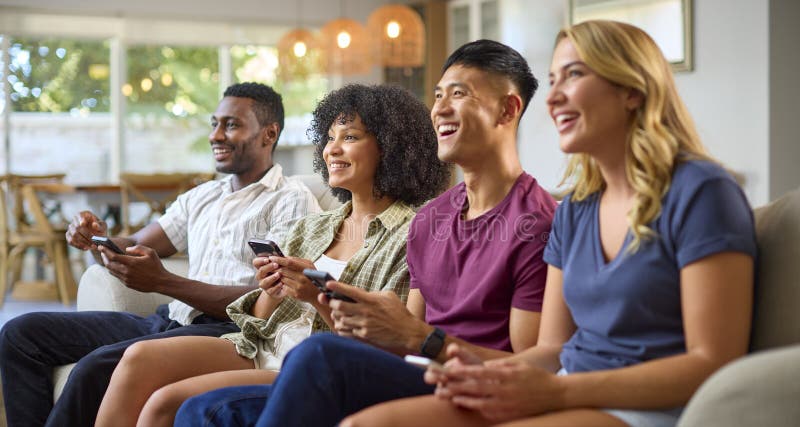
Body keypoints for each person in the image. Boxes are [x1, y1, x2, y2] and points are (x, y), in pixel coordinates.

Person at [342, 20, 758, 427]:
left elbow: (713, 362)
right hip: (565, 391)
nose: (553, 97)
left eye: (573, 76)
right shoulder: (577, 208)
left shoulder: (703, 192)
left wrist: (557, 391)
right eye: (553, 80)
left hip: (645, 405)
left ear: (632, 89)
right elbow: (552, 348)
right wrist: (487, 375)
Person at [174, 39, 558, 427]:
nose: (439, 109)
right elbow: (406, 337)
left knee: (319, 353)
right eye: (438, 95)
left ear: (508, 109)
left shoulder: (537, 224)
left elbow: (529, 369)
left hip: (475, 385)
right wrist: (369, 319)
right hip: (418, 373)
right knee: (199, 410)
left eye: (458, 94)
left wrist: (420, 339)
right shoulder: (432, 219)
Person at [91, 83, 451, 427]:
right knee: (137, 358)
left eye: (350, 137)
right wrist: (271, 286)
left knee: (165, 403)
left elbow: (387, 346)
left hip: (309, 362)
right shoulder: (313, 228)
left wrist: (317, 294)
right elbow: (261, 319)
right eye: (330, 138)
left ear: (391, 147)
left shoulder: (412, 234)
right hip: (259, 344)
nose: (332, 150)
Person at [0, 82, 321, 427]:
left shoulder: (291, 200)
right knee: (20, 335)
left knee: (96, 367)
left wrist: (164, 281)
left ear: (269, 134)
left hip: (230, 332)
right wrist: (97, 238)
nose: (216, 135)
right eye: (214, 123)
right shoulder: (203, 196)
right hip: (172, 319)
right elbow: (136, 243)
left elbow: (270, 301)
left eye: (231, 125)